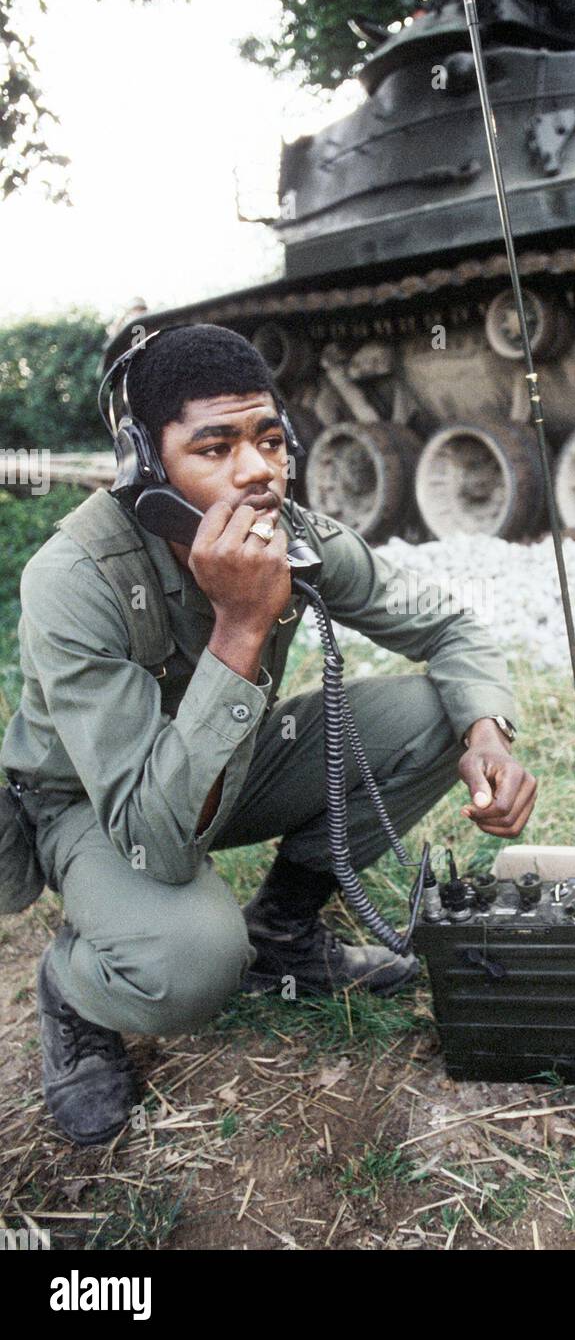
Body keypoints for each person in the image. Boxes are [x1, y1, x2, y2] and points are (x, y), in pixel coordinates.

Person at [0, 324, 537, 1145]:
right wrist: (242, 626)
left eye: (270, 439)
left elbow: (449, 627)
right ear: (145, 464)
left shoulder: (294, 533)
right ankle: (74, 994)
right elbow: (156, 838)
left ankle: (283, 932)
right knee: (189, 964)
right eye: (215, 448)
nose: (256, 470)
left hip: (229, 765)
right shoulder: (74, 581)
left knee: (438, 715)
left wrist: (487, 734)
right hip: (98, 805)